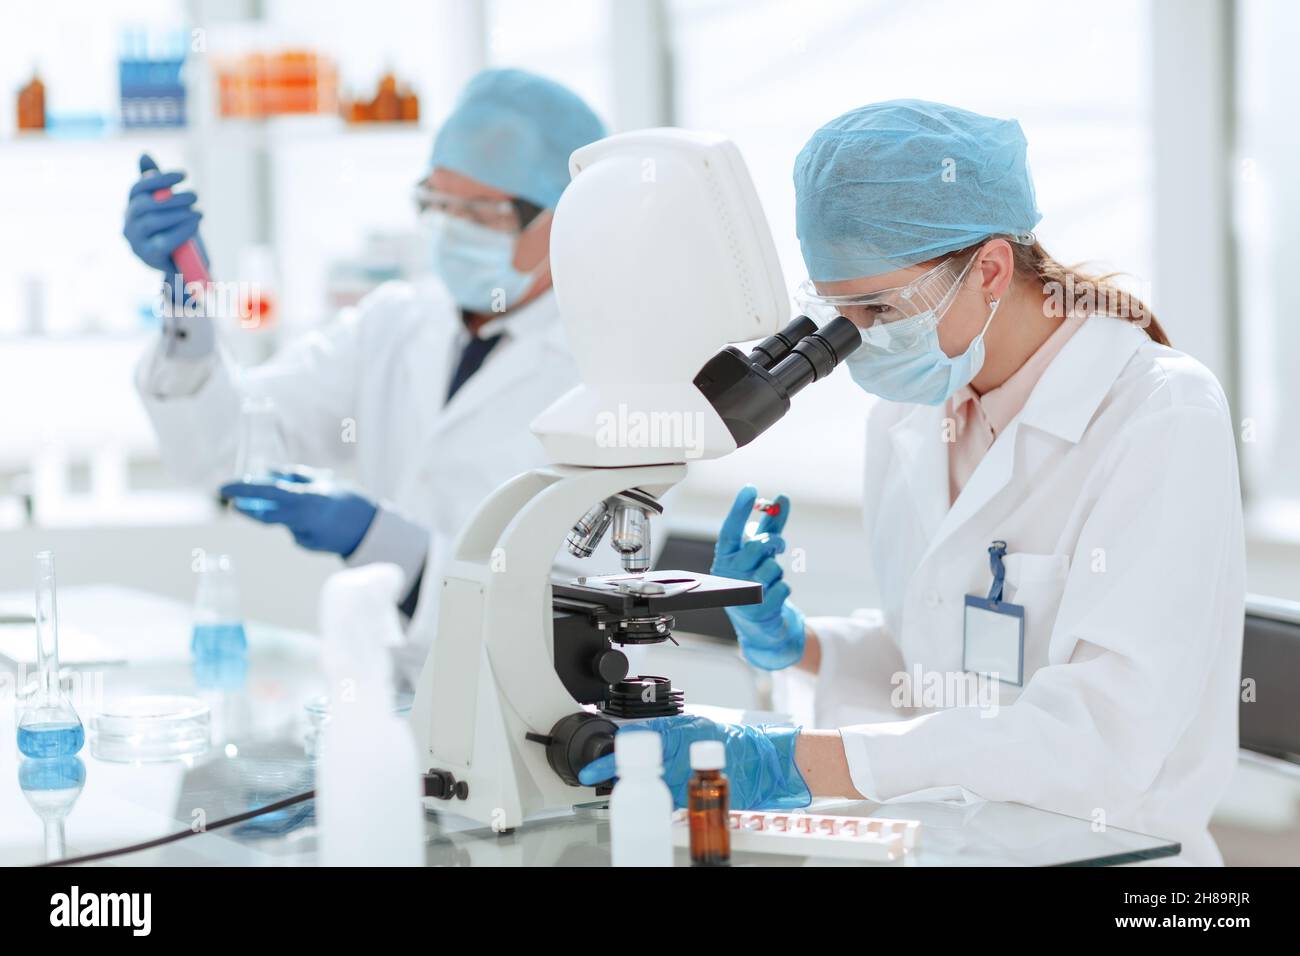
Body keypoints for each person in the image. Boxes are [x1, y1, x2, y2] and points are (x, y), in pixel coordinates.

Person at [580, 100, 1244, 865]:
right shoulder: (908, 415)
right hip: (941, 839)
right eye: (836, 310)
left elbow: (1102, 735)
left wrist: (786, 760)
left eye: (880, 307)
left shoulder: (1159, 413)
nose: (856, 339)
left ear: (991, 269)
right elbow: (939, 664)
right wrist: (806, 647)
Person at [124, 69, 606, 675]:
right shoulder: (395, 321)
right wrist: (187, 314)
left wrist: (388, 545)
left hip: (544, 723)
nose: (451, 227)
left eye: (481, 213)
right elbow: (228, 448)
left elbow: (579, 614)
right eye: (436, 202)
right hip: (392, 697)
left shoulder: (613, 370)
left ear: (565, 218)